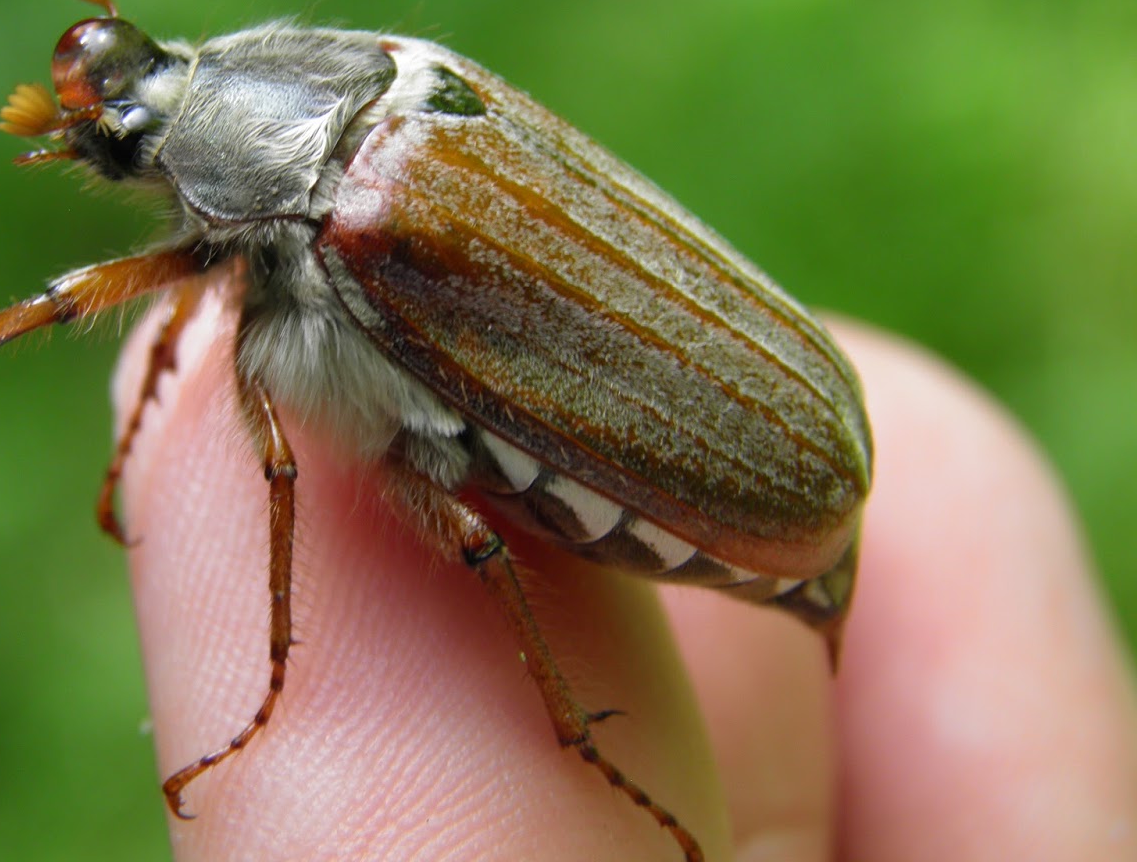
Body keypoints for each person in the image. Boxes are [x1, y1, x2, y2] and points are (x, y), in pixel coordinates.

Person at [113, 301, 1137, 861]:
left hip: (699, 459)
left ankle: (575, 739)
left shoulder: (341, 224)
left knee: (463, 538)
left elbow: (276, 462)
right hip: (771, 428)